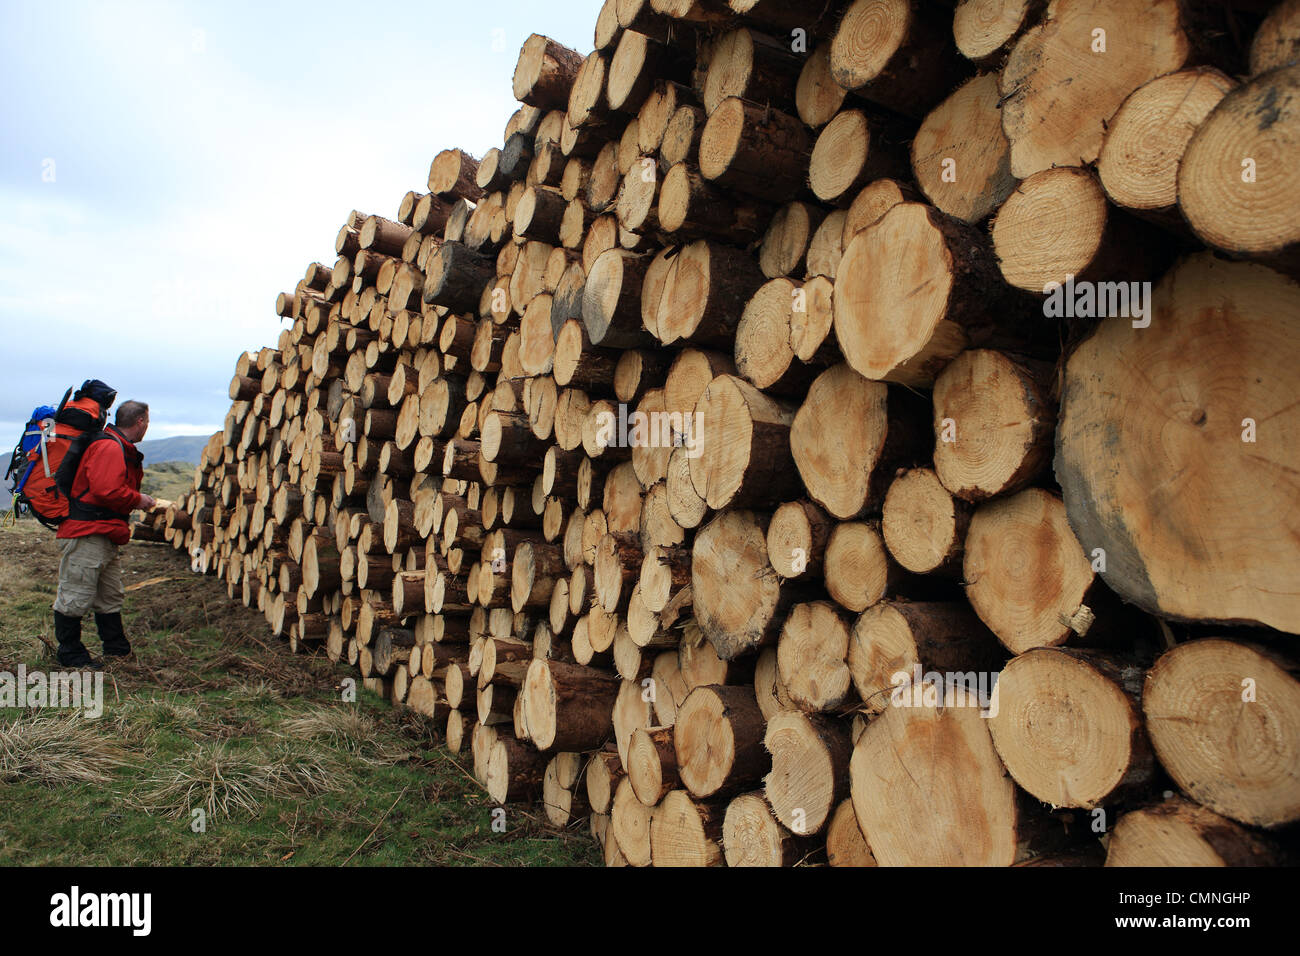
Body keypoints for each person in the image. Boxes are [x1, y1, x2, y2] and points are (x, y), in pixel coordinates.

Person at [52, 400, 156, 668]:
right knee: (75, 592)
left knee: (109, 595)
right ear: (140, 422)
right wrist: (138, 499)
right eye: (148, 420)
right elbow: (105, 490)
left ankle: (117, 650)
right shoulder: (109, 446)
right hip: (88, 532)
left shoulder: (115, 445)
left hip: (105, 533)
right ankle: (70, 654)